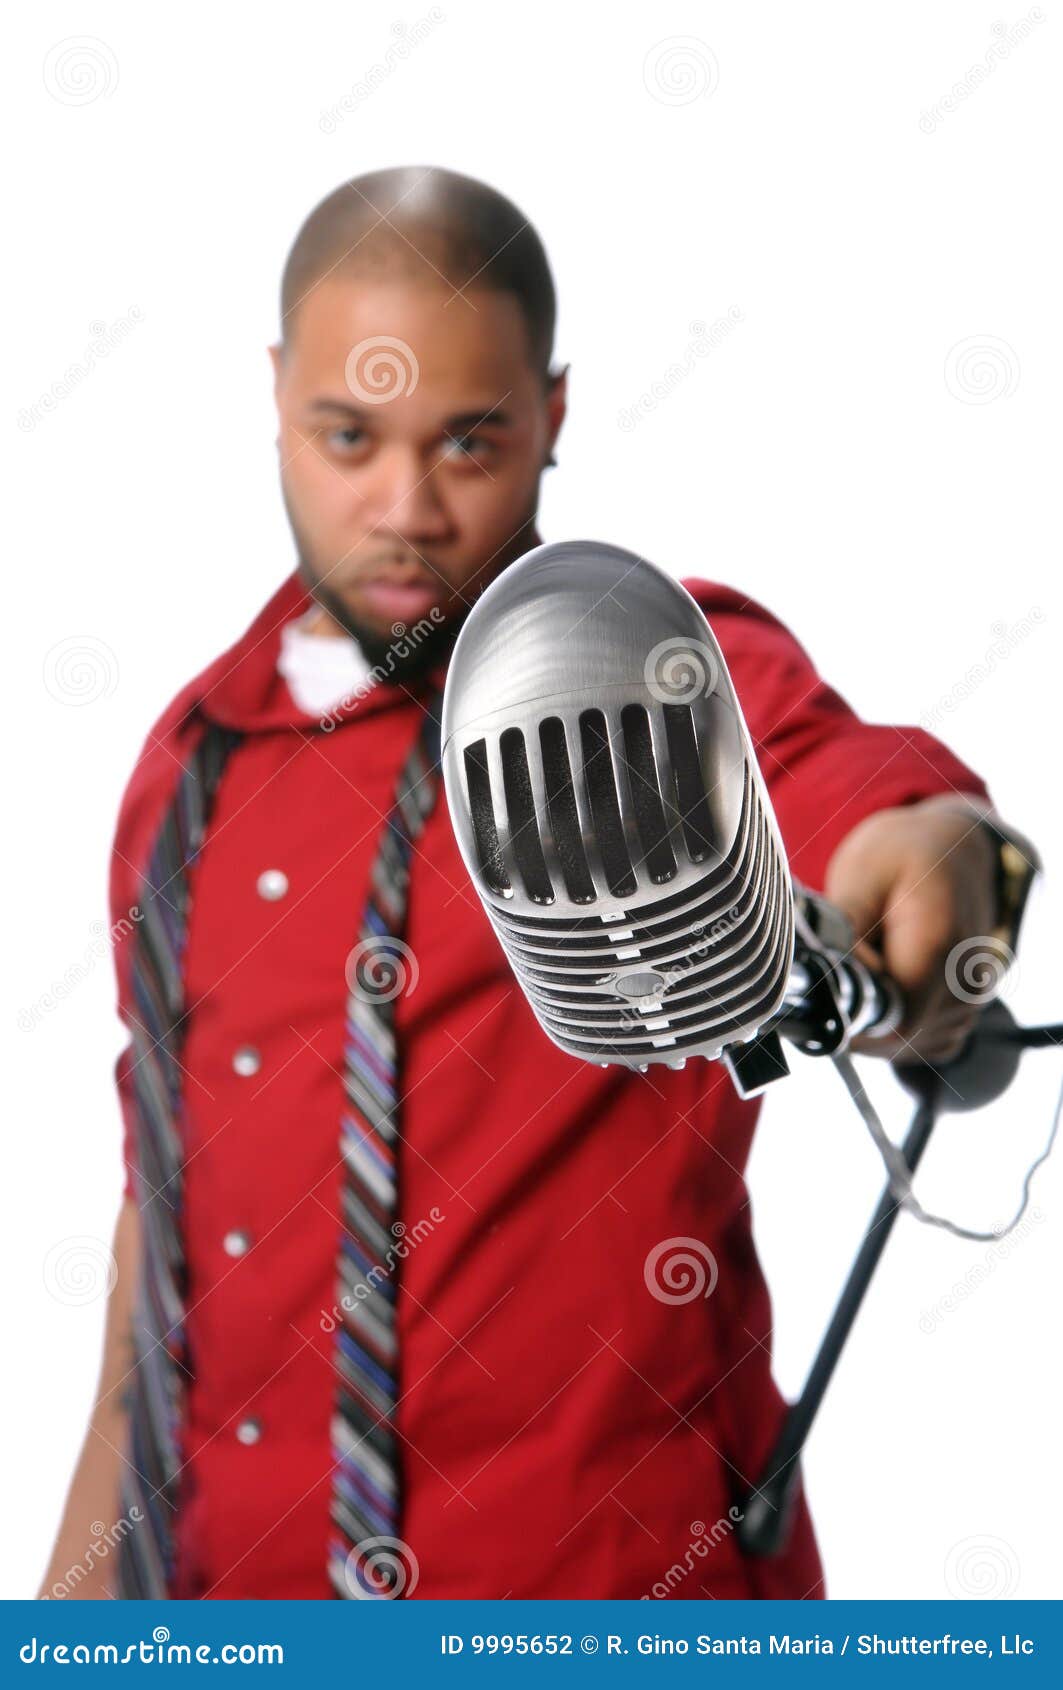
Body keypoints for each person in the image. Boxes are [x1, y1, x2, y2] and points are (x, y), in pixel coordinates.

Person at [38, 165, 1032, 1602]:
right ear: (275, 399)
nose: (406, 507)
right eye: (348, 435)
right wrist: (70, 1613)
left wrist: (934, 857)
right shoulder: (185, 770)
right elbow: (159, 1240)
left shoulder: (636, 693)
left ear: (553, 418)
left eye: (470, 441)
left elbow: (856, 794)